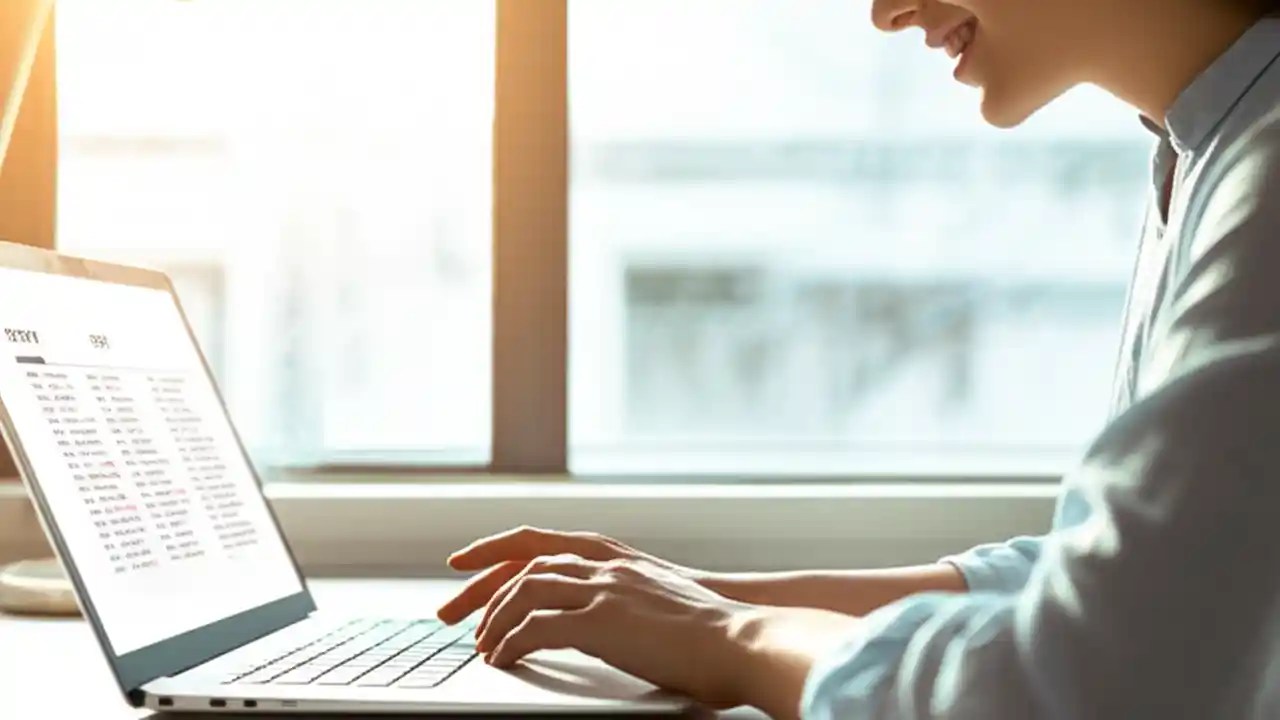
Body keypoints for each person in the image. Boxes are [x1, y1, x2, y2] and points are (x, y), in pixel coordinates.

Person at [439, 0, 1280, 717]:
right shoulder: (1210, 143)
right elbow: (1123, 577)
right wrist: (712, 594)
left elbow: (1093, 682)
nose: (886, 10)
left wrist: (729, 637)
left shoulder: (1266, 176)